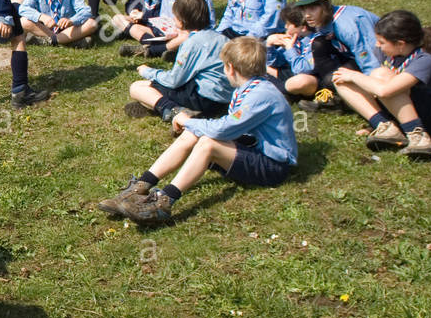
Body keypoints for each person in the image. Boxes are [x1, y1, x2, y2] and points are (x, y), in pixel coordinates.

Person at [100, 37, 297, 225]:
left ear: (230, 68)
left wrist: (186, 120)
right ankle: (141, 186)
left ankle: (163, 203)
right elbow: (230, 126)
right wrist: (192, 126)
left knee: (207, 144)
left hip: (272, 166)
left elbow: (224, 129)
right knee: (194, 133)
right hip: (253, 148)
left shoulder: (261, 96)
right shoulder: (250, 88)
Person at [331, 10, 431, 159]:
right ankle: (385, 127)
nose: (377, 45)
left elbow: (385, 91)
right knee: (341, 80)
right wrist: (351, 77)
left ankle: (419, 137)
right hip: (401, 107)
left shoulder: (425, 60)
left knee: (380, 75)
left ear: (400, 44)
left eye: (381, 42)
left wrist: (355, 75)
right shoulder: (385, 52)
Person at [123, 0, 232, 126]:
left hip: (203, 99)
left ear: (180, 20)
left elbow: (174, 81)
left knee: (137, 87)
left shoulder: (192, 43)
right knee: (150, 94)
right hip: (223, 100)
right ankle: (161, 106)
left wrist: (148, 72)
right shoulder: (224, 39)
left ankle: (173, 110)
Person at [286, 0, 382, 107]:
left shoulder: (346, 25)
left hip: (385, 61)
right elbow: (309, 60)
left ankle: (366, 101)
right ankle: (338, 97)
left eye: (313, 7)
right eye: (304, 9)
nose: (307, 14)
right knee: (321, 50)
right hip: (352, 57)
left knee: (337, 76)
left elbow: (370, 59)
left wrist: (373, 88)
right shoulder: (322, 23)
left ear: (325, 6)